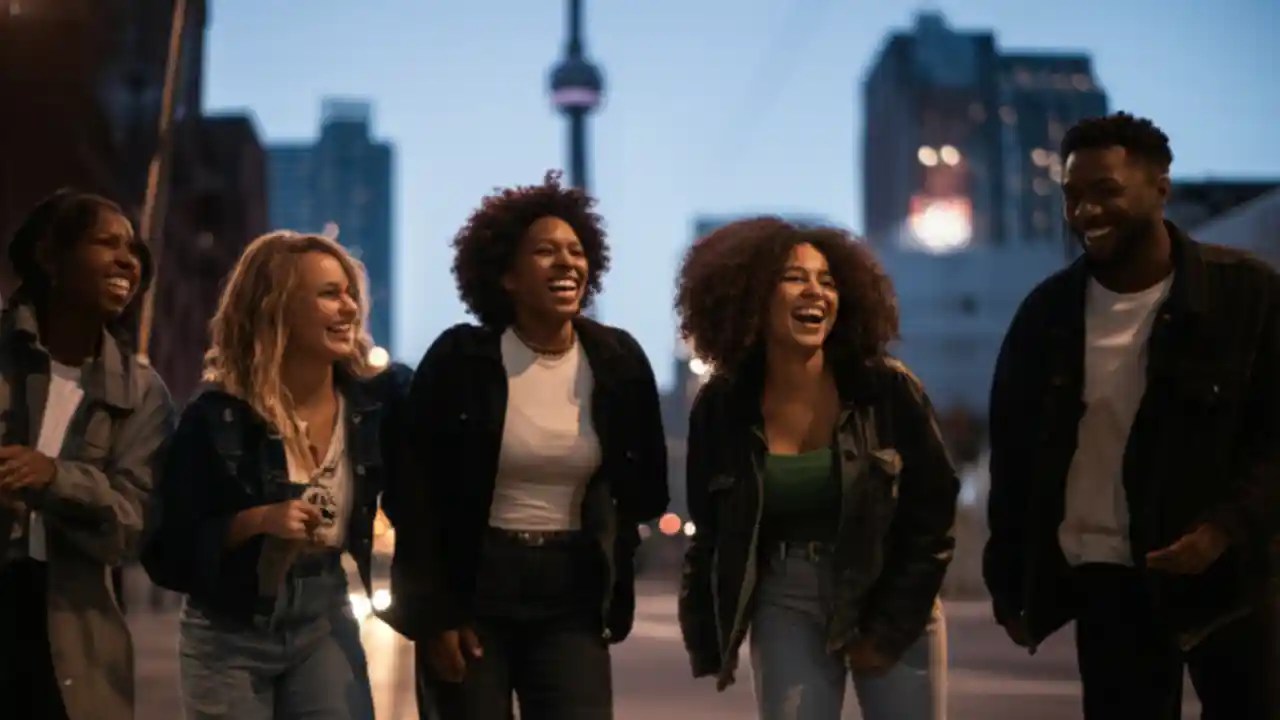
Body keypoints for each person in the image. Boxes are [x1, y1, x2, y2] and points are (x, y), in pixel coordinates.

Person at [983, 112, 1280, 719]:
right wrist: (1009, 582)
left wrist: (1222, 529)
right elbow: (1014, 460)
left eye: (1106, 191)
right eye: (1072, 196)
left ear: (1160, 188)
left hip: (1233, 582)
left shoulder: (1246, 296)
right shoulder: (1046, 317)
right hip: (1111, 581)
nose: (1085, 212)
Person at [387, 171, 669, 720]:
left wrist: (618, 555)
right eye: (545, 251)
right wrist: (436, 615)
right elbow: (411, 494)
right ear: (507, 277)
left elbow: (645, 485)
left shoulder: (618, 361)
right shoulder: (459, 360)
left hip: (572, 593)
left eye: (576, 250)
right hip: (474, 588)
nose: (567, 262)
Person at [675, 217, 957, 720]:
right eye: (794, 277)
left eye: (827, 281)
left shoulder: (886, 389)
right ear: (751, 295)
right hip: (786, 595)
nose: (816, 292)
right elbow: (712, 532)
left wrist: (889, 628)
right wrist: (705, 635)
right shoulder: (722, 404)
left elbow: (932, 516)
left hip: (886, 586)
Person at [140, 230, 410, 720]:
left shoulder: (375, 403)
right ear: (276, 308)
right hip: (228, 627)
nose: (349, 307)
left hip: (324, 612)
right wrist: (255, 521)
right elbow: (167, 553)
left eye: (350, 292)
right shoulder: (215, 418)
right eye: (329, 294)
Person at [0, 189, 175, 720]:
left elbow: (132, 524)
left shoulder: (142, 393)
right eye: (106, 243)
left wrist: (55, 478)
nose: (128, 260)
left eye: (133, 250)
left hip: (71, 628)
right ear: (51, 257)